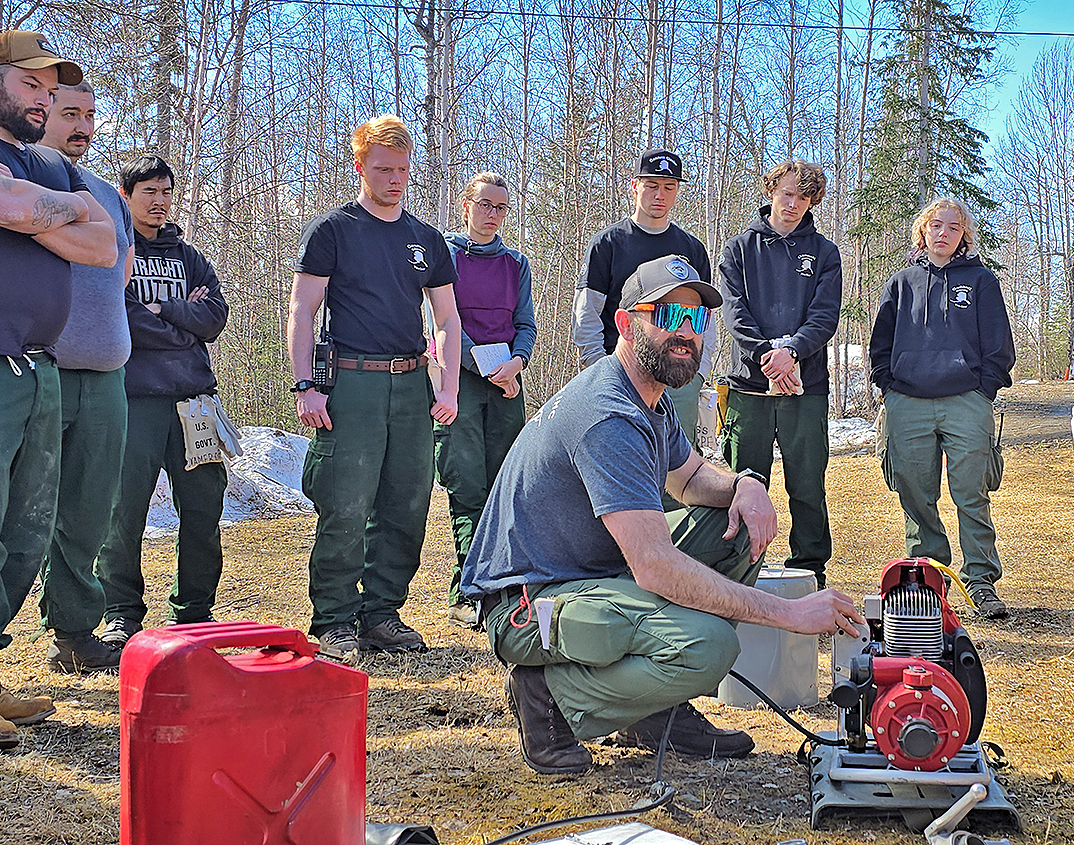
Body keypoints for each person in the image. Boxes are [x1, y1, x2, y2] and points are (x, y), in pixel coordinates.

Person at [461, 255, 864, 775]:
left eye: (697, 318)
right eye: (670, 316)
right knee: (708, 646)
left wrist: (745, 483)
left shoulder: (651, 395)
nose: (687, 333)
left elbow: (690, 480)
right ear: (626, 324)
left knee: (731, 529)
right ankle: (547, 696)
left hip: (590, 575)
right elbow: (655, 567)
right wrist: (790, 614)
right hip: (526, 605)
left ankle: (651, 707)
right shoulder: (609, 415)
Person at [0, 31, 117, 749]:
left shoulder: (45, 163)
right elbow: (6, 210)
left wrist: (30, 204)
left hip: (37, 365)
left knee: (24, 535)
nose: (43, 100)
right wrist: (46, 210)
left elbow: (104, 245)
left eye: (51, 89)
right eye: (30, 84)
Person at [288, 115, 461, 662]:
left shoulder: (426, 239)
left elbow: (446, 319)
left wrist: (449, 388)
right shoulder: (333, 231)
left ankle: (382, 613)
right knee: (345, 504)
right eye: (384, 169)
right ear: (361, 166)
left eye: (403, 170)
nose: (395, 180)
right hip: (351, 382)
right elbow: (302, 310)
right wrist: (305, 385)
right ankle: (335, 619)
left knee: (407, 505)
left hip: (411, 385)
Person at [93, 155, 229, 646]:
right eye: (148, 191)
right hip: (135, 400)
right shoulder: (116, 251)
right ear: (125, 196)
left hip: (195, 402)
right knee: (123, 512)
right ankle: (121, 612)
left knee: (203, 509)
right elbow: (122, 315)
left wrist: (164, 309)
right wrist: (182, 325)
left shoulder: (189, 258)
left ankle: (194, 611)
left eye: (166, 191)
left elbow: (214, 317)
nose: (160, 201)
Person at [870, 198, 1015, 619]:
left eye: (954, 227)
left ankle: (981, 582)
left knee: (972, 494)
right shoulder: (901, 282)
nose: (944, 233)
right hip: (907, 402)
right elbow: (880, 343)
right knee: (916, 495)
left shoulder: (981, 281)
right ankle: (928, 582)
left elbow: (999, 344)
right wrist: (888, 387)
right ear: (923, 230)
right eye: (936, 225)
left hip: (966, 400)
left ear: (963, 236)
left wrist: (984, 389)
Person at [33, 80, 136, 674]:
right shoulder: (13, 186)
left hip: (106, 377)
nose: (83, 126)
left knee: (90, 511)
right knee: (15, 513)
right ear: (40, 113)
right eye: (70, 113)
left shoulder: (107, 196)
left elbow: (118, 275)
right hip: (37, 369)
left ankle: (73, 632)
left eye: (91, 115)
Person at [718, 160, 843, 587]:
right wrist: (767, 356)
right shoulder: (738, 249)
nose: (793, 204)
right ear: (771, 190)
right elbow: (734, 313)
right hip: (749, 388)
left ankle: (809, 571)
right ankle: (737, 569)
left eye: (803, 198)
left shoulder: (824, 253)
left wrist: (791, 353)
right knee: (744, 485)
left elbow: (824, 317)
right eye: (787, 193)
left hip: (805, 389)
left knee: (807, 486)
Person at [438, 172, 535, 628]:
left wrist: (516, 363)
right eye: (485, 204)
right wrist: (484, 368)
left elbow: (525, 325)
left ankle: (503, 586)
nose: (492, 214)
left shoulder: (516, 264)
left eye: (501, 207)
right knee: (468, 486)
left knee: (506, 486)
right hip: (458, 382)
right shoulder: (446, 256)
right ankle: (468, 589)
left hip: (507, 386)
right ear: (466, 205)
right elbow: (442, 321)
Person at [572, 148, 714, 451]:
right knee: (620, 459)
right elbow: (587, 316)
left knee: (678, 466)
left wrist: (699, 374)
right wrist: (600, 372)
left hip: (678, 377)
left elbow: (707, 319)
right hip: (622, 376)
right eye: (651, 185)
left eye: (669, 187)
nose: (660, 195)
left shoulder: (692, 249)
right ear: (634, 186)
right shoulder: (608, 244)